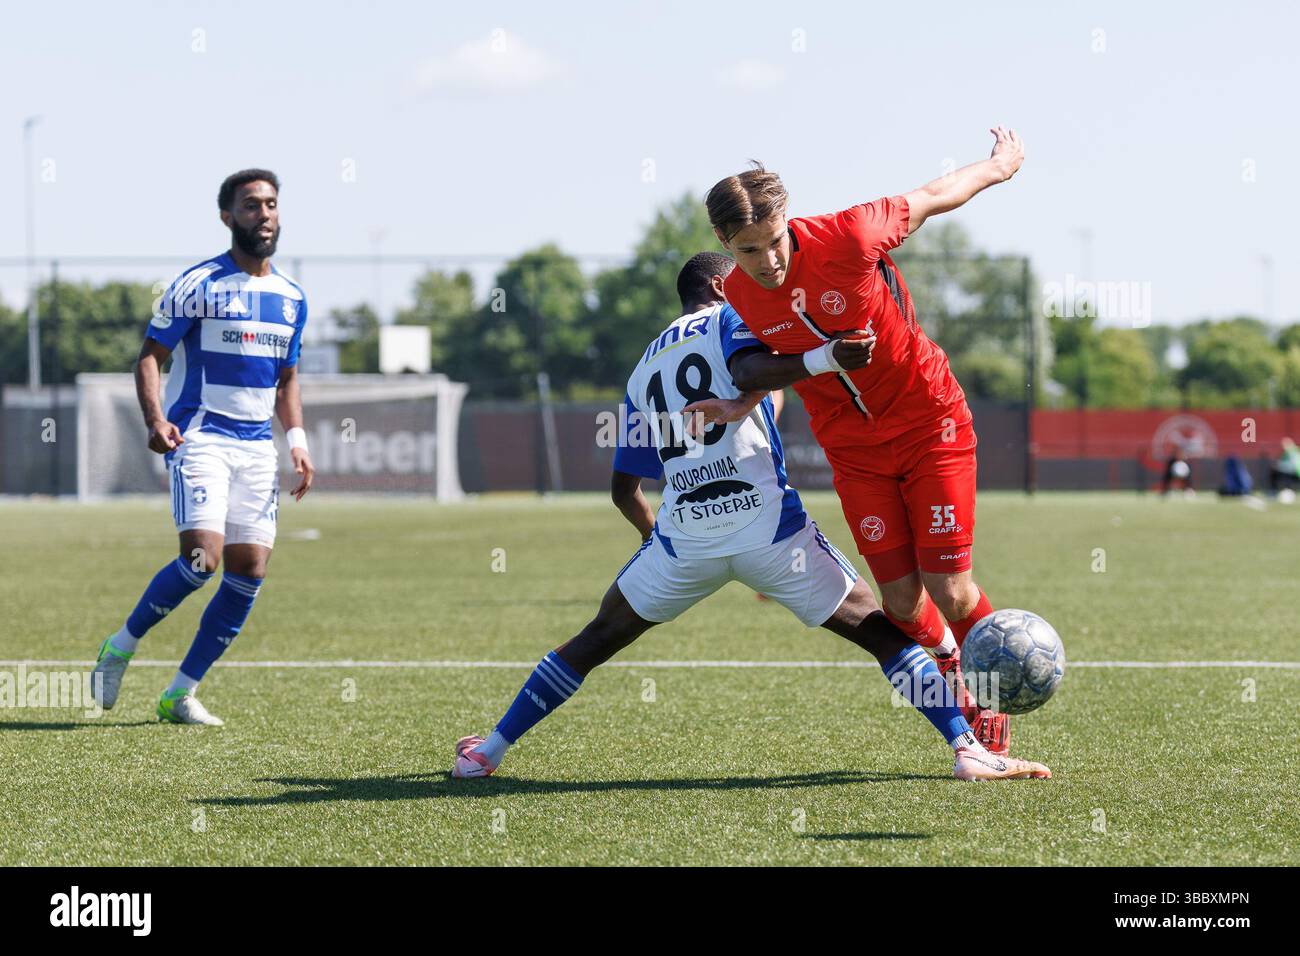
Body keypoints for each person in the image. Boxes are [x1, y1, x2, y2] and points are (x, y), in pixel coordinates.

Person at [450, 252, 1050, 782]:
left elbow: (623, 487)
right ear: (718, 286)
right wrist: (827, 355)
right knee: (885, 636)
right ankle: (967, 747)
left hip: (684, 539)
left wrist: (657, 539)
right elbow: (759, 369)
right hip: (770, 530)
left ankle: (489, 751)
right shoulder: (732, 316)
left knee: (592, 642)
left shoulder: (639, 372)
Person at [687, 127, 1026, 754]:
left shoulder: (850, 234)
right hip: (854, 450)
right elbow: (777, 363)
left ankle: (986, 697)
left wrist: (996, 168)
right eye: (747, 250)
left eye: (773, 241)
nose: (767, 261)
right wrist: (741, 402)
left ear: (787, 217)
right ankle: (951, 668)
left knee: (949, 587)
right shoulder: (737, 295)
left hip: (931, 424)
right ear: (724, 245)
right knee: (900, 601)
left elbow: (931, 194)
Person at [89, 169, 314, 725]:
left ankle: (179, 693)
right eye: (250, 205)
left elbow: (287, 379)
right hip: (202, 438)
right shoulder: (197, 284)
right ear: (227, 217)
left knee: (250, 570)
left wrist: (299, 443)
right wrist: (156, 418)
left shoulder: (292, 298)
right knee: (200, 561)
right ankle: (119, 646)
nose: (263, 214)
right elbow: (150, 357)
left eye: (270, 204)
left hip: (258, 449)